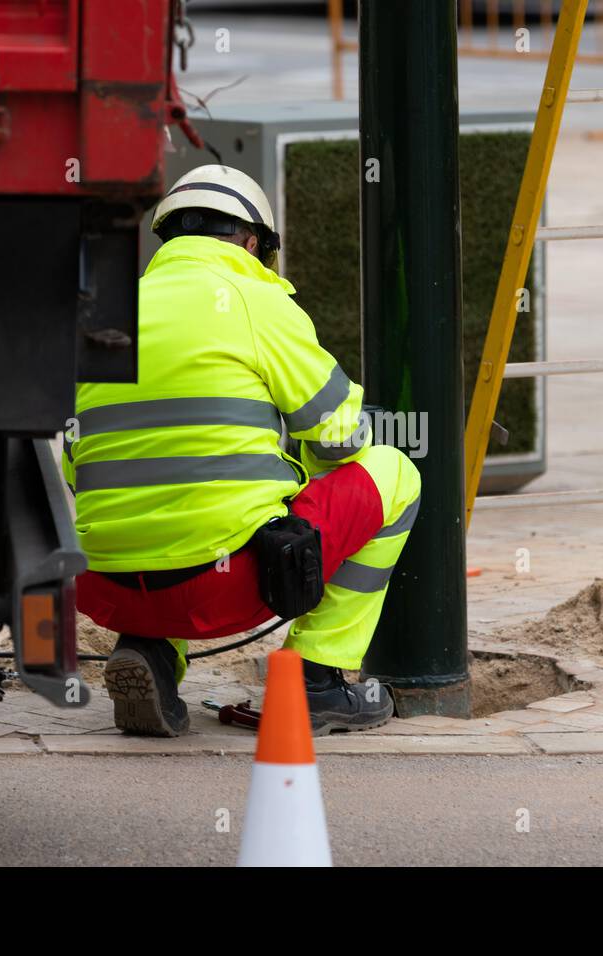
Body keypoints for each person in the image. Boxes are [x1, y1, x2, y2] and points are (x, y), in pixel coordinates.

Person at [63, 165, 421, 736]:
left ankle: (151, 653)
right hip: (225, 588)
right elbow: (338, 441)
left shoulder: (105, 314)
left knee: (166, 505)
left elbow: (80, 472)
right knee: (394, 473)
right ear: (252, 243)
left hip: (106, 586)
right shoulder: (254, 298)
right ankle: (315, 683)